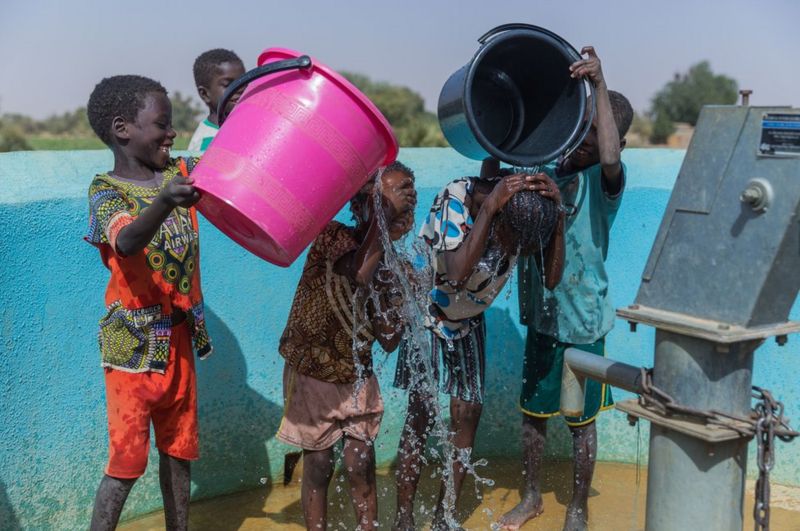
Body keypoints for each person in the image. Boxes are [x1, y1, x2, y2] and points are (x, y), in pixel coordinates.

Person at [498, 46, 635, 531]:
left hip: (584, 323)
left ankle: (577, 507)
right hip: (544, 318)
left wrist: (599, 84)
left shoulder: (605, 181)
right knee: (533, 414)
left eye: (594, 135)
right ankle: (532, 496)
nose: (582, 142)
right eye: (582, 130)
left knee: (581, 422)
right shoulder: (548, 171)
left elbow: (612, 152)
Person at [392, 160, 566, 531]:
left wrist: (559, 218)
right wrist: (488, 209)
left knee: (468, 414)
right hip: (430, 309)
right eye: (512, 239)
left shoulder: (527, 211)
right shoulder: (456, 199)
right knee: (420, 414)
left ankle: (445, 517)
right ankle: (403, 517)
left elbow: (551, 279)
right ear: (500, 215)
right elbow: (454, 274)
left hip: (469, 319)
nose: (514, 250)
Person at [85, 75, 213, 530]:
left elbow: (230, 156)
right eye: (162, 124)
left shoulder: (180, 172)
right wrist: (163, 201)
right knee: (125, 465)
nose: (172, 133)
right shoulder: (106, 190)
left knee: (179, 454)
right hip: (133, 353)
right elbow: (126, 241)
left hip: (179, 340)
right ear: (123, 129)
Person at [277, 162, 417, 531]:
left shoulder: (393, 268)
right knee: (320, 464)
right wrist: (384, 216)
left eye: (407, 200)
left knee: (360, 463)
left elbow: (388, 340)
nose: (405, 203)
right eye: (386, 199)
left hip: (357, 375)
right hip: (314, 369)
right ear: (360, 208)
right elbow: (358, 271)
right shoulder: (332, 237)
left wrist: (403, 302)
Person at [187, 48, 245, 151]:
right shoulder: (209, 143)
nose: (241, 88)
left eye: (244, 81)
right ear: (205, 94)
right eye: (229, 84)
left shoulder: (236, 127)